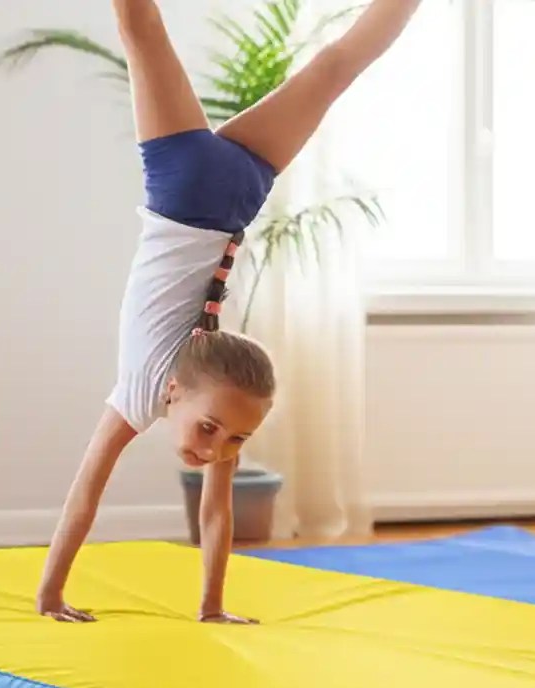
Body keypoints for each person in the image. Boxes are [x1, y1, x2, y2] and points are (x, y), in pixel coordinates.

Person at [37, 0, 424, 624]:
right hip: (195, 186)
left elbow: (198, 509)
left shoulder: (185, 394)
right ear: (176, 389)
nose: (218, 447)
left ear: (175, 390)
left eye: (231, 437)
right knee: (153, 32)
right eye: (221, 430)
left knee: (332, 69)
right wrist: (50, 596)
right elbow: (89, 497)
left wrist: (211, 608)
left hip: (235, 189)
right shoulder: (160, 393)